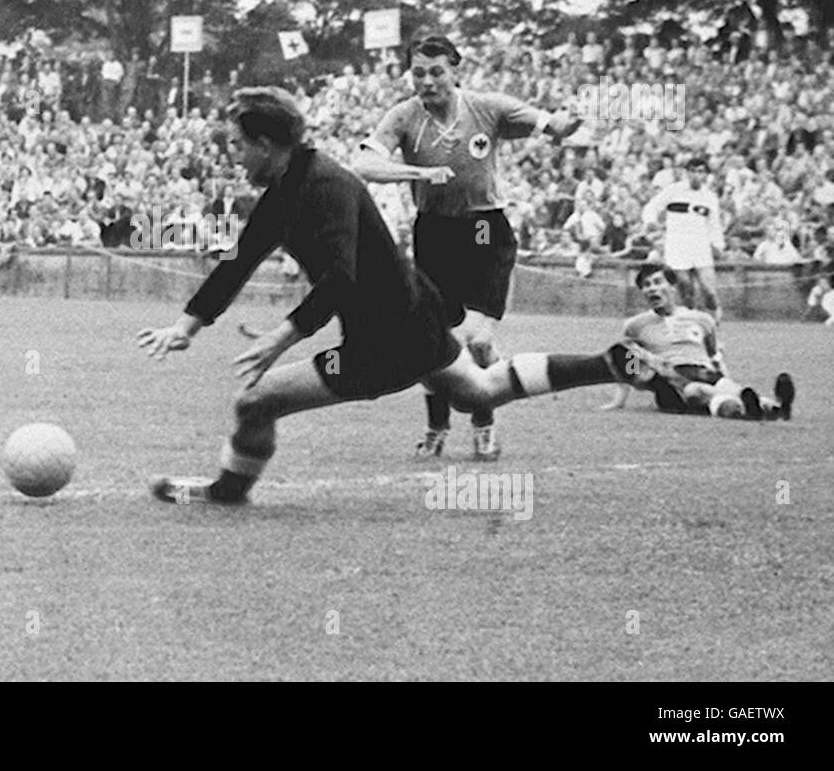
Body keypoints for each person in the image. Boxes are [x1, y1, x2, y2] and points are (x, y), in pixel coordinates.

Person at [136, 87, 650, 505]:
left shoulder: (325, 184)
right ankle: (606, 364)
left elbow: (340, 276)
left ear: (266, 144)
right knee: (478, 389)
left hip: (382, 337)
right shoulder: (287, 189)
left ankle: (228, 491)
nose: (231, 153)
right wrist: (186, 326)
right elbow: (240, 260)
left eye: (236, 143)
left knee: (256, 401)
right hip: (413, 314)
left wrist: (281, 337)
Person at [353, 35, 583, 461]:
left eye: (437, 71)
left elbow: (548, 124)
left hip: (482, 228)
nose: (427, 81)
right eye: (418, 72)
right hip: (434, 233)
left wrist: (564, 126)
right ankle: (437, 425)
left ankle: (484, 421)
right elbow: (364, 164)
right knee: (430, 339)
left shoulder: (486, 107)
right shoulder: (404, 116)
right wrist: (417, 174)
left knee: (475, 338)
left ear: (455, 70)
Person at [601, 263, 794, 420]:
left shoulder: (702, 320)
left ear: (672, 286)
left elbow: (715, 356)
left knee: (724, 387)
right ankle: (758, 407)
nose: (652, 288)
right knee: (695, 391)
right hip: (672, 376)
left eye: (657, 282)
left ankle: (776, 408)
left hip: (704, 371)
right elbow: (628, 361)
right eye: (646, 285)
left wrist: (727, 378)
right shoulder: (635, 326)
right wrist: (620, 399)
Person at [641, 156, 724, 319]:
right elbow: (652, 206)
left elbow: (714, 224)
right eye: (692, 171)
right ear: (687, 173)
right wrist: (650, 221)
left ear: (706, 175)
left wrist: (718, 245)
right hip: (677, 245)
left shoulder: (709, 197)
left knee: (709, 291)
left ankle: (714, 320)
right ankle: (691, 323)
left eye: (700, 172)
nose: (696, 175)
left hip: (700, 245)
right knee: (686, 290)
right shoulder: (674, 190)